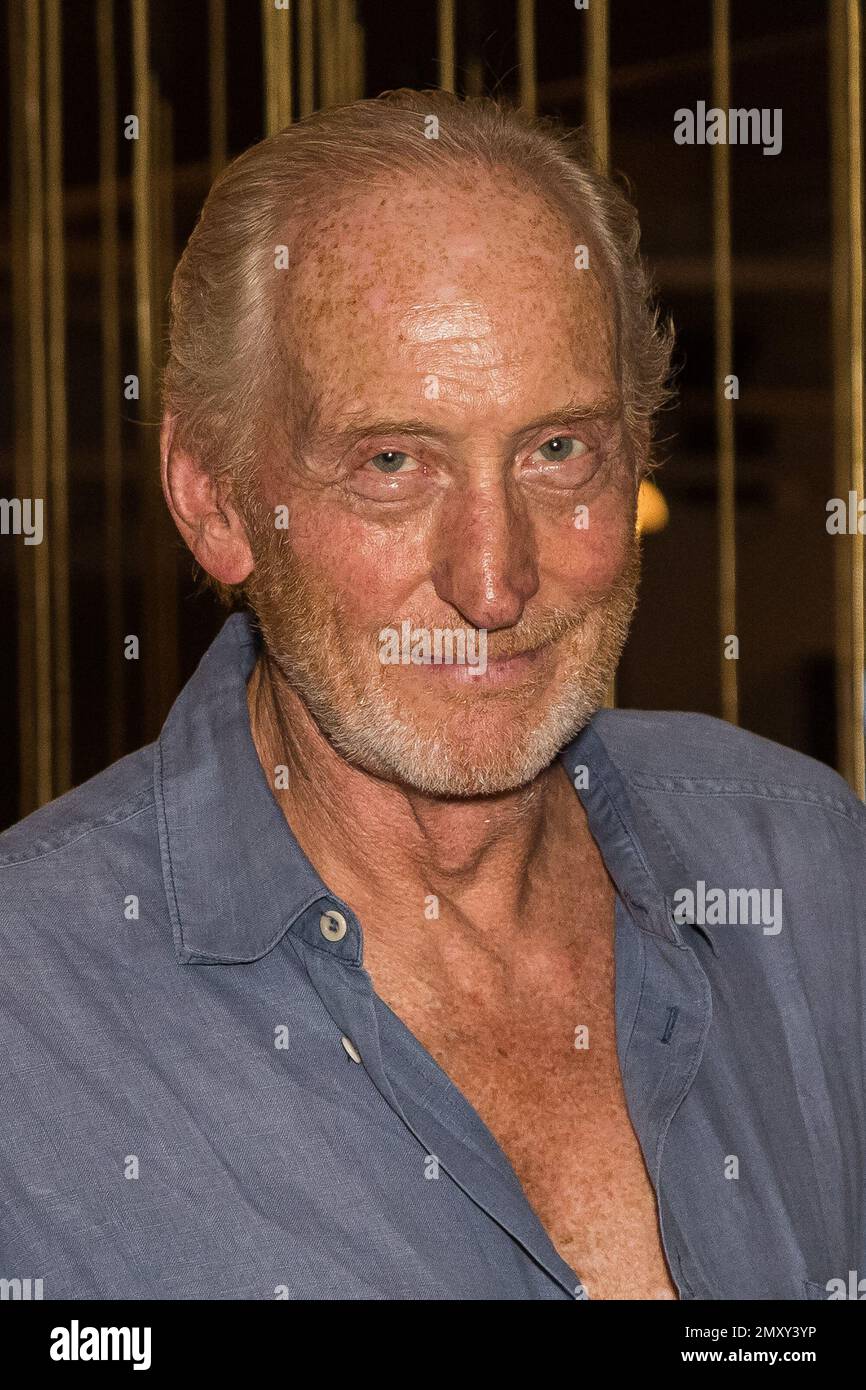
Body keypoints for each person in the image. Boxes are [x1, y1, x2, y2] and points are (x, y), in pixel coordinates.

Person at [1, 89, 863, 1302]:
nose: (494, 580)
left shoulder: (809, 871)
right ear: (214, 500)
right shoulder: (28, 1020)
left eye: (556, 450)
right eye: (392, 464)